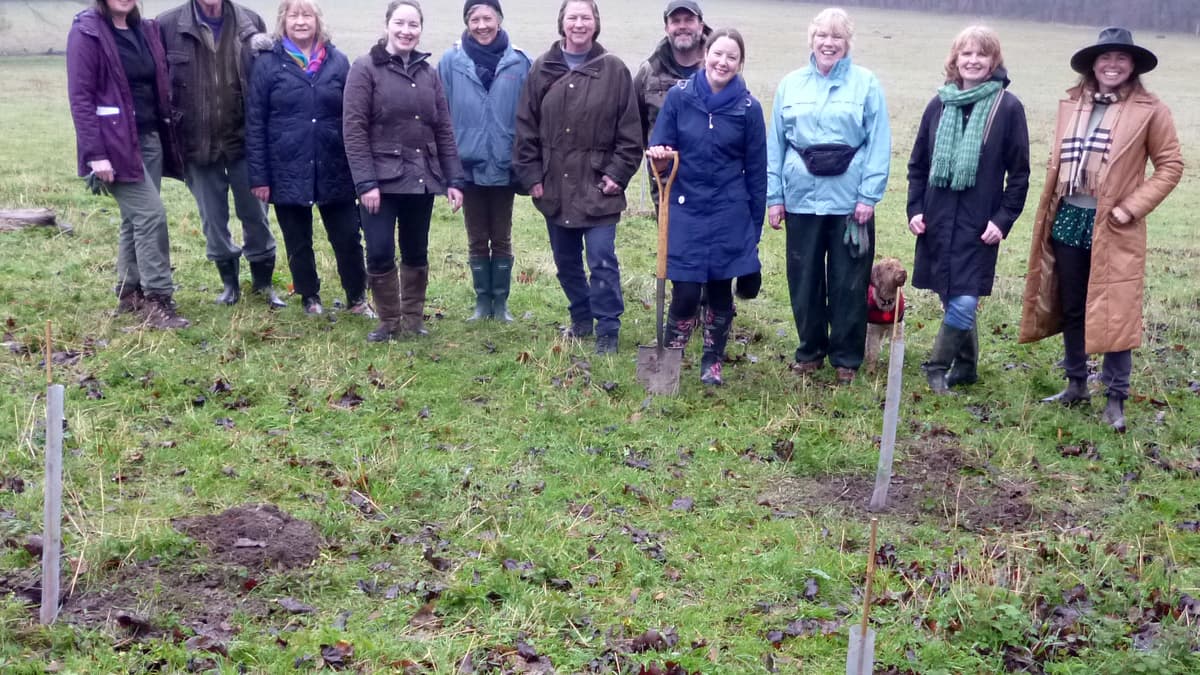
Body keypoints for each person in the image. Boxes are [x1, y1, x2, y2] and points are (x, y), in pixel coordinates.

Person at [1019, 27, 1183, 432]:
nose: (1112, 65)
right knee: (1072, 304)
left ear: (1133, 67)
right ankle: (1076, 383)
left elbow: (1171, 166)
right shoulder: (1073, 103)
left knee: (1116, 311)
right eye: (1105, 58)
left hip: (1115, 224)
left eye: (1121, 59)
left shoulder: (1151, 109)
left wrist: (1132, 207)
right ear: (1094, 63)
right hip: (1070, 216)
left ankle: (1116, 396)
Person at [766, 7, 891, 385]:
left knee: (848, 282)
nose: (828, 43)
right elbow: (776, 144)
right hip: (801, 198)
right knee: (803, 279)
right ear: (812, 39)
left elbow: (879, 141)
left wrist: (868, 196)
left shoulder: (866, 84)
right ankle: (810, 351)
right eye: (822, 35)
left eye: (837, 37)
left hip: (850, 203)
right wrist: (775, 196)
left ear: (847, 43)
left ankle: (846, 358)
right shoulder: (790, 85)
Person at [512, 0, 642, 354]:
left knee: (601, 258)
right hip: (555, 185)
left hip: (599, 185)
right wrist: (532, 176)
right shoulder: (542, 68)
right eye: (573, 17)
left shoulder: (614, 70)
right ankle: (581, 318)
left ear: (596, 23)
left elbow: (631, 133)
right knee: (566, 261)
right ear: (562, 23)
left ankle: (608, 330)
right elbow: (526, 129)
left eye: (586, 17)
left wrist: (618, 174)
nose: (579, 23)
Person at [906, 26, 1030, 393]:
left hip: (980, 224)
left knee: (964, 296)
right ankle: (967, 366)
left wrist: (1003, 220)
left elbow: (1019, 174)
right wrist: (914, 209)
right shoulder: (938, 104)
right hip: (937, 220)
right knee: (951, 294)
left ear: (994, 62)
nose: (973, 60)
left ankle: (936, 366)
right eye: (966, 54)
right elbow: (918, 165)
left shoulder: (1007, 108)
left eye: (982, 54)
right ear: (955, 60)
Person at [646, 28, 766, 386]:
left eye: (732, 57)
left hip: (730, 212)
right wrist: (660, 156)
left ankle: (712, 360)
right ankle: (670, 360)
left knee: (719, 290)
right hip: (685, 209)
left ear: (740, 63)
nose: (723, 62)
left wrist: (752, 228)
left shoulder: (749, 109)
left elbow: (757, 173)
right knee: (684, 291)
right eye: (717, 54)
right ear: (705, 55)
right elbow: (660, 148)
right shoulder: (679, 98)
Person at [343, 0, 465, 342]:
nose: (406, 31)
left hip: (421, 179)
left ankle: (412, 319)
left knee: (416, 250)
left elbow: (443, 130)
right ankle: (388, 322)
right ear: (387, 26)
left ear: (420, 30)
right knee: (380, 250)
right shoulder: (364, 68)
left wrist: (454, 179)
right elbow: (353, 130)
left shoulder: (429, 74)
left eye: (413, 25)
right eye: (400, 23)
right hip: (379, 182)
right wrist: (365, 182)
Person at [67, 0, 190, 329]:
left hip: (149, 139)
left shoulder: (144, 30)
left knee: (134, 218)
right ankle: (158, 299)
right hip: (114, 145)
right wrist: (96, 154)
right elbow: (81, 97)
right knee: (151, 215)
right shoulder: (88, 31)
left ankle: (129, 292)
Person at [158, 0, 286, 308]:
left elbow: (263, 79)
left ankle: (263, 284)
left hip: (244, 138)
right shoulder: (167, 25)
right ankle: (229, 285)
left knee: (256, 214)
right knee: (212, 219)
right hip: (195, 140)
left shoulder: (250, 22)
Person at [245, 0, 369, 317]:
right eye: (293, 15)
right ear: (283, 21)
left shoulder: (338, 62)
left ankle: (357, 298)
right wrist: (259, 177)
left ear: (318, 21)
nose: (301, 21)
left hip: (335, 164)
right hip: (286, 165)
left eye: (307, 15)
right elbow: (255, 122)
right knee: (298, 240)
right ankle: (309, 297)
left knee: (347, 237)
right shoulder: (267, 64)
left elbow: (354, 118)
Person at [439, 0, 531, 323]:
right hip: (469, 166)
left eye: (487, 18)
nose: (481, 25)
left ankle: (501, 303)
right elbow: (442, 114)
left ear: (499, 19)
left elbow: (530, 115)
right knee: (477, 235)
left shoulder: (519, 63)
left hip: (506, 165)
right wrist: (449, 168)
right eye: (474, 18)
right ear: (466, 22)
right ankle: (482, 302)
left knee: (502, 235)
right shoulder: (450, 62)